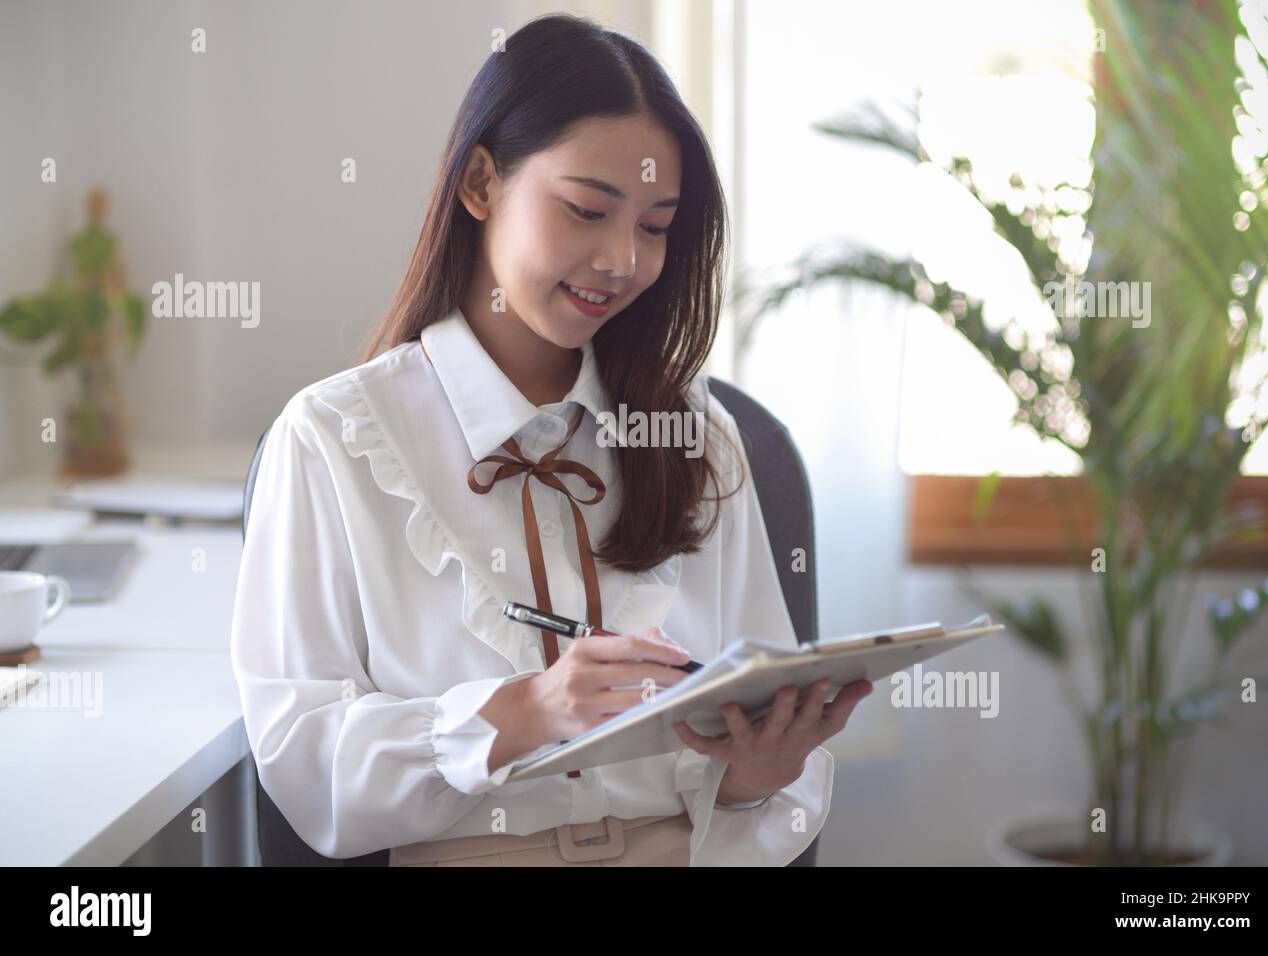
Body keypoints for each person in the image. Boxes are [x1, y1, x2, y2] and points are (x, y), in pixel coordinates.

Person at [230, 12, 873, 867]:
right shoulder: (331, 442)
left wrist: (760, 772)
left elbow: (768, 787)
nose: (621, 260)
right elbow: (303, 767)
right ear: (481, 184)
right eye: (586, 210)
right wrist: (522, 712)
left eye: (654, 226)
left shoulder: (697, 437)